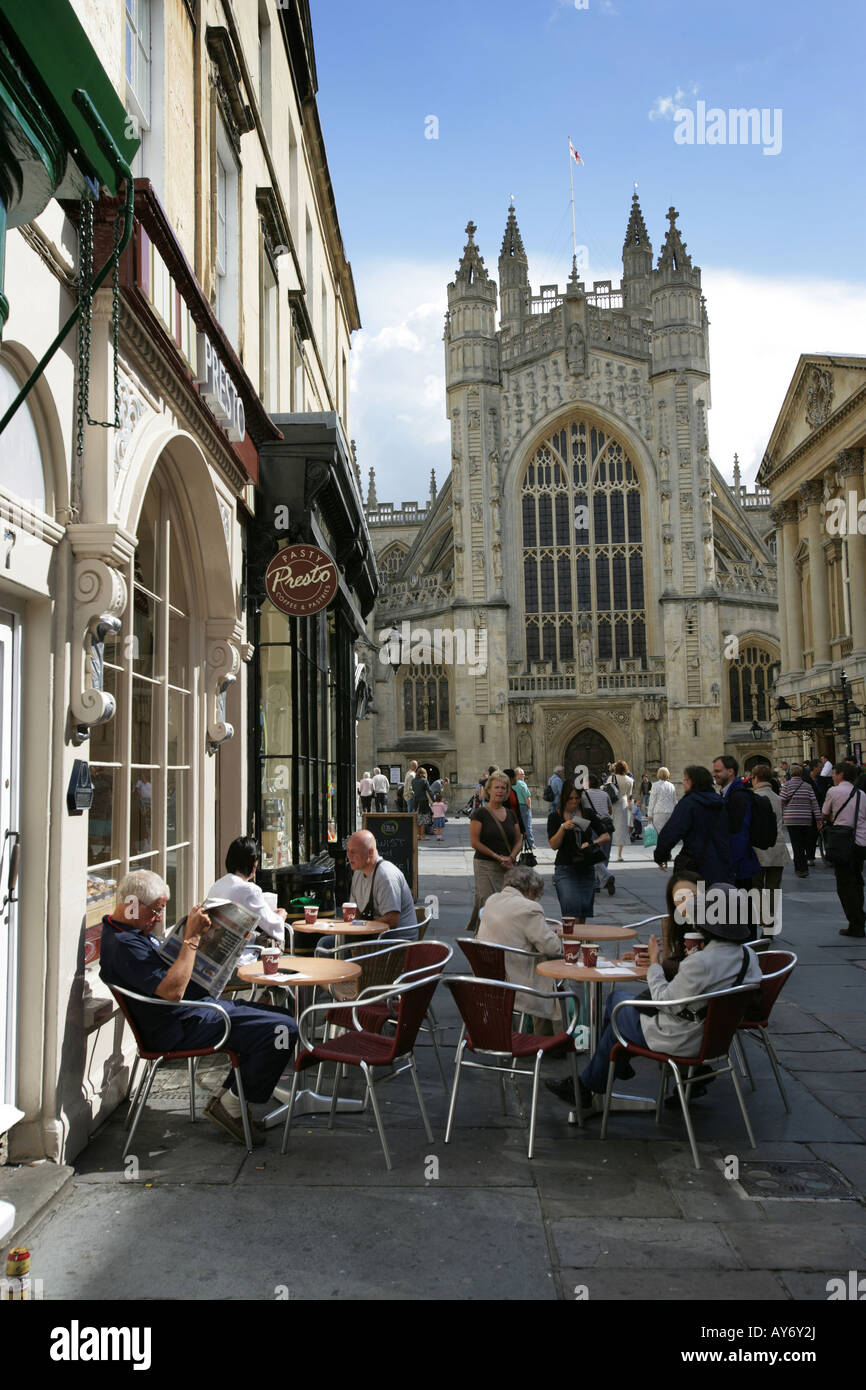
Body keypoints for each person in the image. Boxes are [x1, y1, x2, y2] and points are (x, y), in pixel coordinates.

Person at [100, 871, 297, 1146]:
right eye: (156, 911)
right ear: (132, 903)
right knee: (283, 1029)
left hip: (191, 1012)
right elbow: (172, 991)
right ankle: (232, 1104)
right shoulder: (124, 945)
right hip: (176, 1027)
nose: (158, 918)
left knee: (283, 1016)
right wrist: (191, 939)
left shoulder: (128, 933)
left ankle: (232, 1100)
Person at [547, 884, 761, 1109]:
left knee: (616, 1011)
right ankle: (604, 1071)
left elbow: (665, 1001)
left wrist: (655, 963)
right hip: (715, 1036)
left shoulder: (701, 962)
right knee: (617, 1008)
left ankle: (590, 1083)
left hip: (681, 1036)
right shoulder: (748, 956)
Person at [478, 866, 563, 1033]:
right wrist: (553, 934)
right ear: (530, 890)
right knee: (549, 975)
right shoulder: (529, 908)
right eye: (537, 894)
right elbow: (553, 948)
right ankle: (549, 1038)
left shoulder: (492, 900)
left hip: (486, 975)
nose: (536, 899)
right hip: (515, 980)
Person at [317, 830, 419, 950]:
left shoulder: (385, 875)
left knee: (330, 946)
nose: (348, 856)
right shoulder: (358, 873)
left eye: (353, 852)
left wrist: (360, 926)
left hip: (395, 943)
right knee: (326, 942)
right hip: (373, 936)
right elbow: (356, 913)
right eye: (348, 851)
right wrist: (342, 924)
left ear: (370, 852)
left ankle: (346, 968)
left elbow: (392, 920)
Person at [654, 764, 733, 887]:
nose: (683, 782)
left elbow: (672, 831)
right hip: (722, 863)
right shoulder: (721, 802)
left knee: (694, 903)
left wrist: (661, 855)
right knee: (718, 902)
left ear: (694, 782)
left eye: (686, 779)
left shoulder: (689, 803)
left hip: (696, 864)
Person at [547, 779, 611, 925]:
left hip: (586, 868)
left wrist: (592, 843)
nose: (574, 802)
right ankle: (570, 946)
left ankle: (582, 946)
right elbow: (553, 845)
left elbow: (605, 835)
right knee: (570, 915)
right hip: (565, 869)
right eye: (570, 799)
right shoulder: (555, 817)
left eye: (577, 798)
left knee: (582, 915)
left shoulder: (587, 813)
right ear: (564, 798)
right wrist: (563, 827)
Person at [207, 836, 288, 945]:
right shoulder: (249, 890)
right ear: (253, 864)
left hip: (216, 945)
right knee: (275, 941)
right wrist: (280, 917)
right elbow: (271, 925)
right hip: (240, 951)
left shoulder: (217, 884)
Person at [469, 770, 523, 927]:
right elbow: (475, 842)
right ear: (489, 790)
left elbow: (518, 840)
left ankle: (501, 942)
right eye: (497, 787)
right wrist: (497, 857)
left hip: (507, 866)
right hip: (485, 865)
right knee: (487, 905)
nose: (500, 791)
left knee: (506, 908)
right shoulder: (480, 814)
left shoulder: (511, 814)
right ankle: (482, 941)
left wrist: (511, 857)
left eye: (503, 788)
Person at [822, 761, 866, 937]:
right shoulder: (862, 794)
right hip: (861, 842)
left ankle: (855, 922)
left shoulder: (834, 791)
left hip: (843, 843)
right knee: (857, 880)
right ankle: (859, 916)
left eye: (834, 773)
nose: (833, 776)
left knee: (844, 885)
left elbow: (825, 813)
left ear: (840, 775)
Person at [712, 756, 761, 892]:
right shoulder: (727, 794)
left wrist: (730, 867)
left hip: (739, 868)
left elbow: (739, 834)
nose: (714, 774)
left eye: (718, 771)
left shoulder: (738, 796)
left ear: (730, 771)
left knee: (740, 910)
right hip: (734, 866)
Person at [750, 765, 787, 932]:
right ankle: (770, 921)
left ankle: (764, 917)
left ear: (756, 778)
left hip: (758, 848)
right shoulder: (778, 798)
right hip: (778, 846)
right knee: (774, 887)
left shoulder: (753, 797)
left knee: (756, 885)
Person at [781, 763, 822, 878]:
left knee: (796, 844)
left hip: (791, 819)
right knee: (804, 843)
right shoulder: (808, 786)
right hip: (805, 819)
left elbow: (782, 801)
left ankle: (800, 868)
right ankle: (802, 866)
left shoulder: (786, 786)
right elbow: (814, 803)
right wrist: (818, 819)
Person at [582, 774, 616, 897]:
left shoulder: (584, 795)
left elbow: (583, 811)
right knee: (605, 854)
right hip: (607, 825)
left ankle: (602, 880)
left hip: (593, 825)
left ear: (588, 784)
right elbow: (610, 810)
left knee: (593, 853)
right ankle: (602, 880)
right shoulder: (605, 794)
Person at [647, 768, 678, 867]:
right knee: (668, 834)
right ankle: (668, 853)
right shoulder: (671, 785)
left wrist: (649, 814)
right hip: (670, 811)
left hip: (659, 812)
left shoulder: (655, 785)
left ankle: (662, 855)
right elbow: (675, 800)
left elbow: (652, 801)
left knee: (660, 834)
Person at [606, 760, 634, 863]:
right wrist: (630, 805)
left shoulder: (611, 778)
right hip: (622, 804)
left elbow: (606, 790)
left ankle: (607, 852)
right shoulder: (630, 780)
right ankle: (619, 855)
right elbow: (628, 795)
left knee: (609, 826)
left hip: (611, 804)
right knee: (621, 828)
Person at [513, 767, 535, 851]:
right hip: (523, 806)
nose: (524, 775)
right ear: (517, 775)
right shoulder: (522, 784)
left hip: (515, 806)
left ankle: (516, 843)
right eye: (522, 774)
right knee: (527, 825)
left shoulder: (513, 784)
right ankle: (531, 843)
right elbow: (527, 797)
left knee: (516, 825)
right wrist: (529, 806)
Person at [412, 766, 433, 840]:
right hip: (423, 801)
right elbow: (429, 791)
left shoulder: (413, 781)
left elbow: (414, 790)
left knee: (417, 818)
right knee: (423, 819)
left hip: (415, 801)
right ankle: (423, 835)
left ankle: (418, 835)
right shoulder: (424, 780)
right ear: (424, 773)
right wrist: (433, 799)